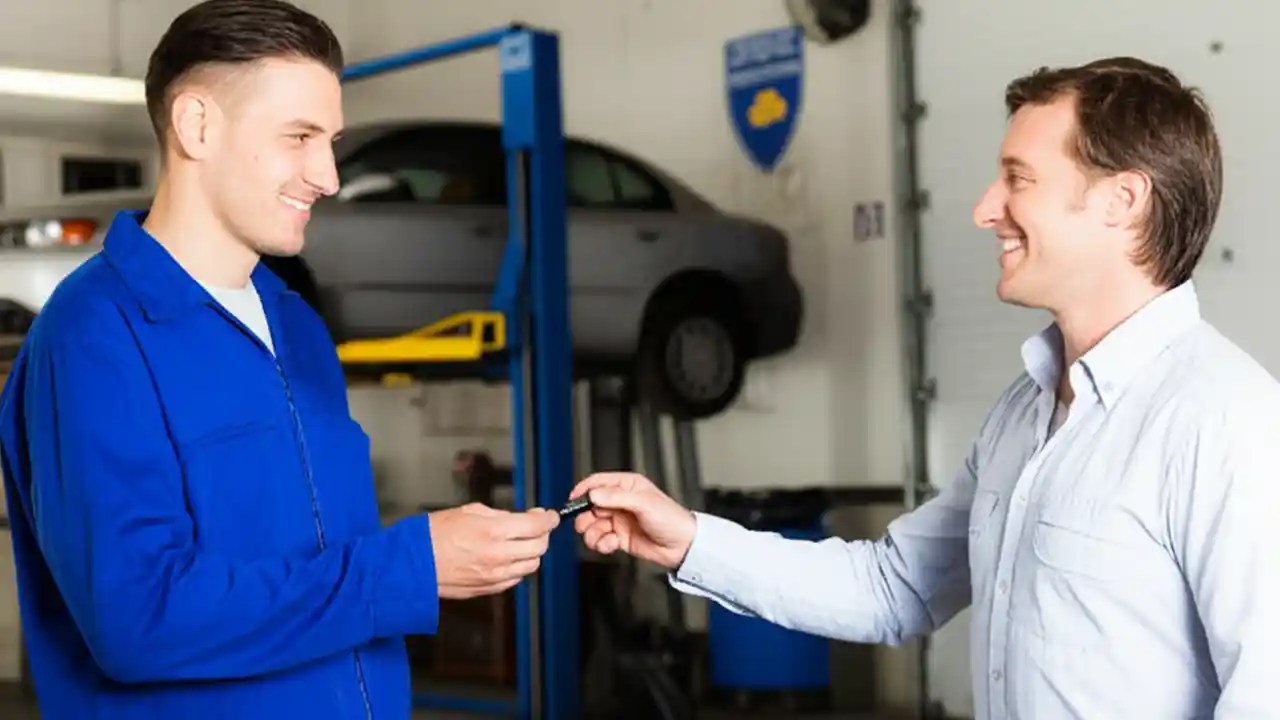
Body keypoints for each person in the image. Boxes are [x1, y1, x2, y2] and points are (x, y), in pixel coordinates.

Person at [572, 57, 1278, 719]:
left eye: (1018, 179)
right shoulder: (1026, 412)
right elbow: (895, 588)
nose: (984, 208)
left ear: (1122, 200)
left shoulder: (1226, 421)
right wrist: (689, 541)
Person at [0, 1, 559, 718]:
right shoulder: (93, 338)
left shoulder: (296, 325)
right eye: (299, 136)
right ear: (197, 126)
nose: (327, 175)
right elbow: (136, 622)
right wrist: (410, 568)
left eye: (330, 141)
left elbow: (321, 565)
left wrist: (428, 562)